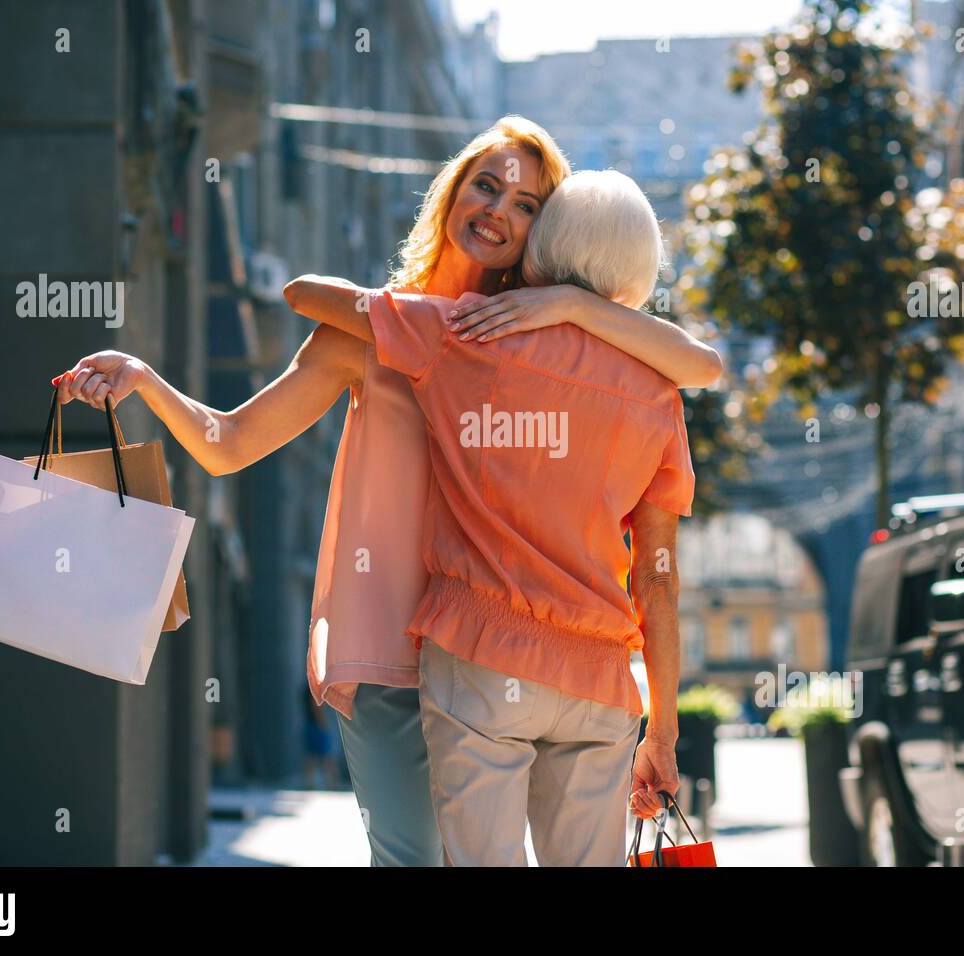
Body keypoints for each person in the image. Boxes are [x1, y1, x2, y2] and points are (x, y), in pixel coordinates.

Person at [51, 117, 721, 867]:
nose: (501, 210)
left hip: (497, 645)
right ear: (452, 193)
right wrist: (143, 380)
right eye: (487, 186)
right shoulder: (373, 330)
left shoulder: (552, 349)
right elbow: (227, 444)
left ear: (549, 229)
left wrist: (571, 306)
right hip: (390, 641)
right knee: (411, 859)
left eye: (529, 203)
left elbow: (696, 364)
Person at [283, 169, 694, 866]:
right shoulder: (657, 389)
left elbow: (305, 296)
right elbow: (657, 579)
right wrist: (663, 735)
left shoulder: (464, 335)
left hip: (481, 653)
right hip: (599, 675)